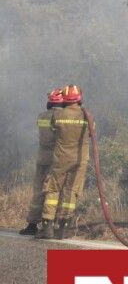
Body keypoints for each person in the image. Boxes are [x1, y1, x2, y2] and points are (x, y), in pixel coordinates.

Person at [37, 85, 90, 239]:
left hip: (61, 158)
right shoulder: (87, 116)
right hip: (80, 159)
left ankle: (47, 227)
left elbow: (53, 129)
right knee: (72, 191)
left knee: (53, 189)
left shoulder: (58, 115)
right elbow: (91, 132)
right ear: (79, 98)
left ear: (65, 99)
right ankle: (63, 228)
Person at [18, 88, 64, 236]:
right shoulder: (60, 118)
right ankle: (48, 225)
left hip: (41, 159)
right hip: (55, 160)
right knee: (52, 191)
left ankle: (32, 224)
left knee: (38, 192)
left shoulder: (42, 116)